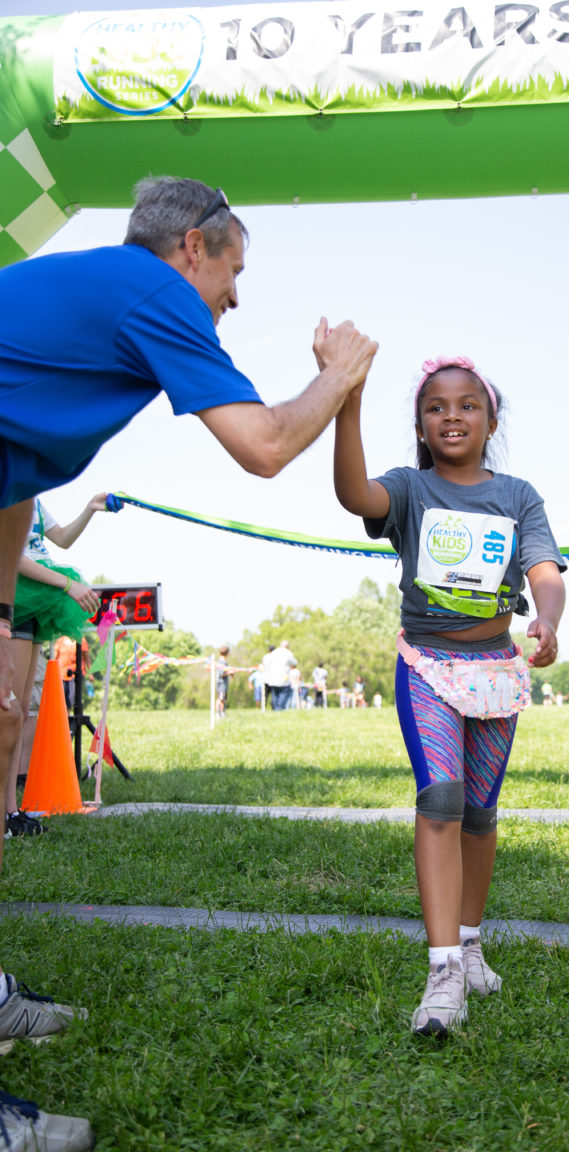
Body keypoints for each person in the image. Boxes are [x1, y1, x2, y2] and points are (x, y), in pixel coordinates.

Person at [0, 175, 377, 1147]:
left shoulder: (91, 291)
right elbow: (261, 445)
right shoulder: (153, 290)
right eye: (235, 270)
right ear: (196, 247)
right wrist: (341, 375)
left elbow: (11, 470)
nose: (236, 297)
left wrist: (1, 624)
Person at [334, 354, 565, 1037]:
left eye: (468, 405)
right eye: (437, 406)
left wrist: (546, 617)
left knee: (480, 815)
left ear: (491, 421)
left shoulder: (518, 496)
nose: (453, 415)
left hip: (494, 667)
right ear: (420, 424)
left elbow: (544, 570)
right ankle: (442, 974)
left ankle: (469, 944)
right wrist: (346, 406)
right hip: (428, 665)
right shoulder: (409, 488)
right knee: (441, 800)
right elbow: (356, 496)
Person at [7, 495, 106, 838]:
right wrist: (66, 584)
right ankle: (7, 815)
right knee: (10, 712)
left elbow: (61, 537)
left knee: (17, 713)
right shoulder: (9, 491)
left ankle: (12, 812)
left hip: (38, 596)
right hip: (18, 595)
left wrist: (90, 509)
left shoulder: (34, 498)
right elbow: (11, 557)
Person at [215, 645, 234, 718]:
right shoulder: (221, 662)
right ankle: (219, 713)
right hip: (221, 684)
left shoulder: (223, 661)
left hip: (223, 684)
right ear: (227, 653)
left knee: (222, 699)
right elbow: (221, 673)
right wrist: (230, 672)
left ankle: (221, 712)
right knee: (220, 699)